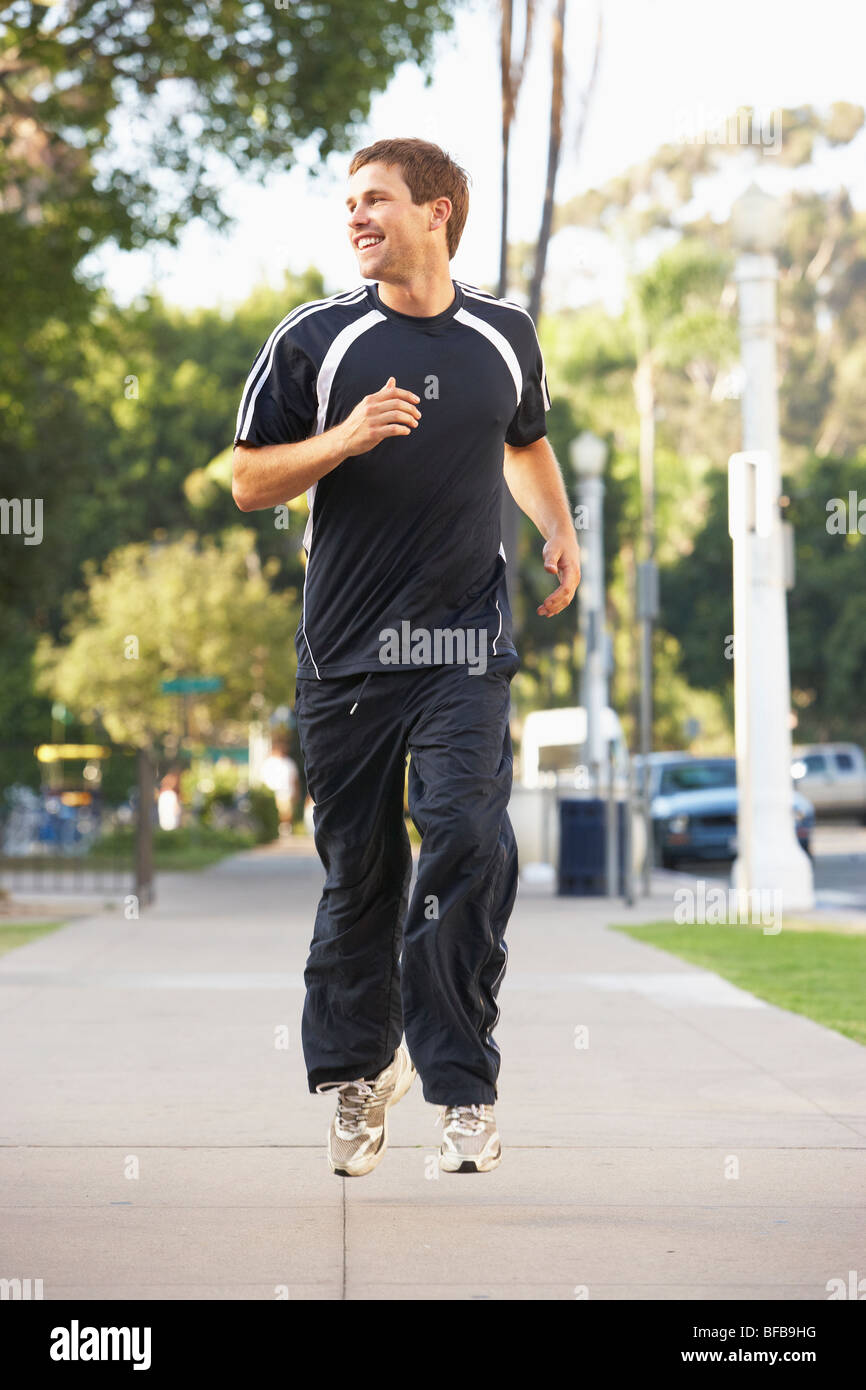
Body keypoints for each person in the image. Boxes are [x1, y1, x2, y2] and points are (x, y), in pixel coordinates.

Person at [232, 137, 580, 1177]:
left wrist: (559, 527)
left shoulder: (503, 334)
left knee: (468, 836)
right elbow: (249, 478)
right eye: (347, 204)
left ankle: (462, 1086)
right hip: (342, 660)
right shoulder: (316, 338)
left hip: (461, 647)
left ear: (436, 213)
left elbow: (521, 440)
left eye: (375, 199)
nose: (354, 217)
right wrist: (341, 439)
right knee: (361, 879)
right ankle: (353, 1074)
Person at [260, 734, 300, 834]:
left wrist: (296, 792)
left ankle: (284, 831)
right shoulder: (269, 762)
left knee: (286, 813)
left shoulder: (289, 762)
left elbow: (294, 779)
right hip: (271, 792)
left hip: (286, 792)